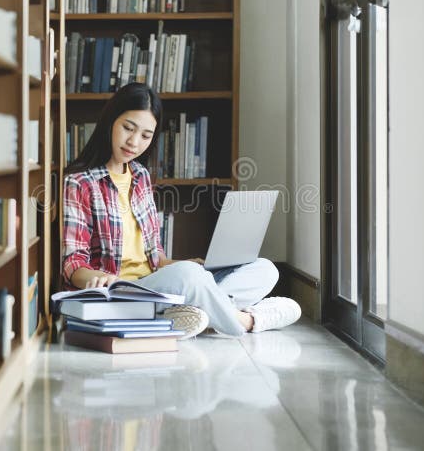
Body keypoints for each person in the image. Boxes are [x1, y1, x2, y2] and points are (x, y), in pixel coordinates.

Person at [62, 82, 301, 339]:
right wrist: (98, 277)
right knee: (190, 276)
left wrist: (184, 264)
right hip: (124, 292)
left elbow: (155, 257)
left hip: (158, 285)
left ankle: (193, 311)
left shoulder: (140, 176)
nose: (134, 142)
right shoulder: (80, 183)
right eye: (128, 128)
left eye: (146, 135)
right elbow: (73, 263)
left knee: (264, 268)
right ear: (110, 121)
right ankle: (245, 320)